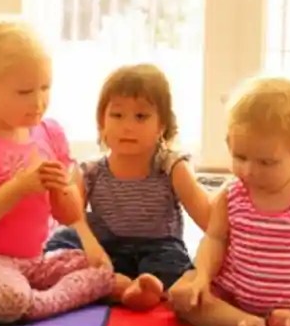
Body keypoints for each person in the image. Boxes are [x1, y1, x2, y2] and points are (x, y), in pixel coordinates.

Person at [0, 18, 114, 323]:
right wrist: (19, 187)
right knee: (7, 298)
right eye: (23, 92)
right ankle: (21, 302)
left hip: (34, 261)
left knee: (101, 269)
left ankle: (30, 304)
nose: (38, 102)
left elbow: (66, 214)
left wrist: (66, 194)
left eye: (45, 88)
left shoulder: (50, 133)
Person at [168, 77, 290, 326]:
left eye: (266, 162)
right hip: (233, 297)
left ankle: (278, 322)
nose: (249, 171)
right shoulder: (232, 193)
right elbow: (215, 238)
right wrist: (203, 277)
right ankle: (244, 322)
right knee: (181, 294)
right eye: (240, 157)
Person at [44, 64, 212, 309]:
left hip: (158, 247)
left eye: (141, 117)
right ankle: (119, 286)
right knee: (63, 240)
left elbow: (207, 219)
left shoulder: (171, 166)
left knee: (172, 266)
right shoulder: (91, 170)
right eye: (117, 115)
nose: (127, 126)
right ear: (102, 123)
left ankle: (134, 288)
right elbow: (70, 215)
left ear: (161, 126)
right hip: (107, 249)